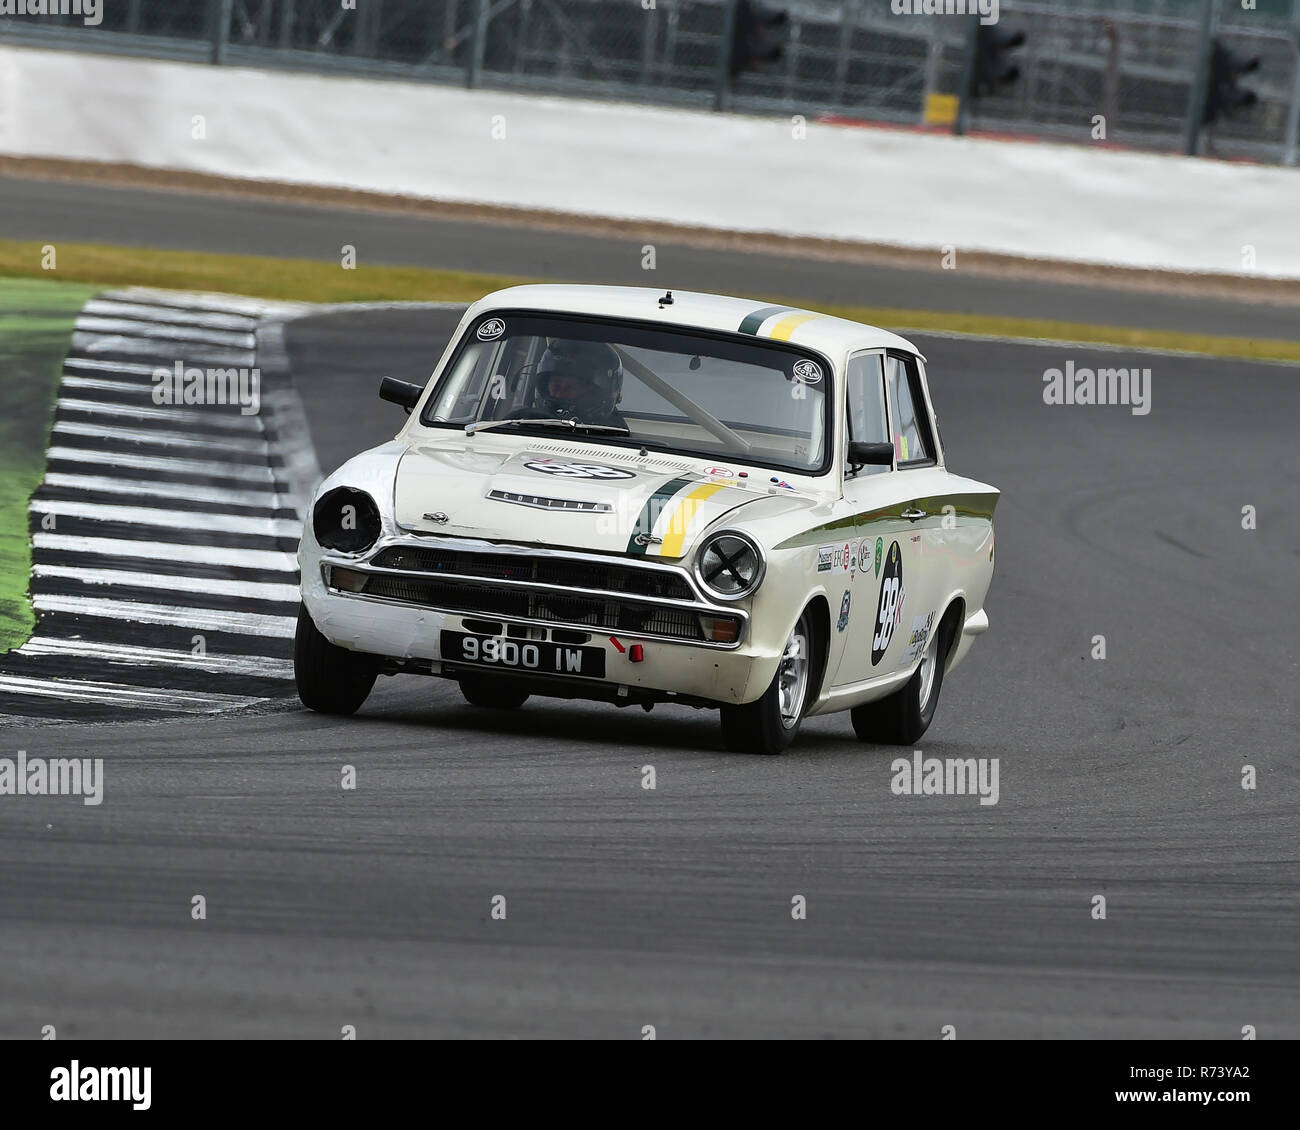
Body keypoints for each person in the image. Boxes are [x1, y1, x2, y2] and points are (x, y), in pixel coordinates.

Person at [523, 339, 627, 428]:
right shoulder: (524, 423)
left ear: (594, 396)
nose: (560, 393)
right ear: (544, 387)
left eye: (571, 388)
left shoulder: (615, 439)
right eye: (556, 386)